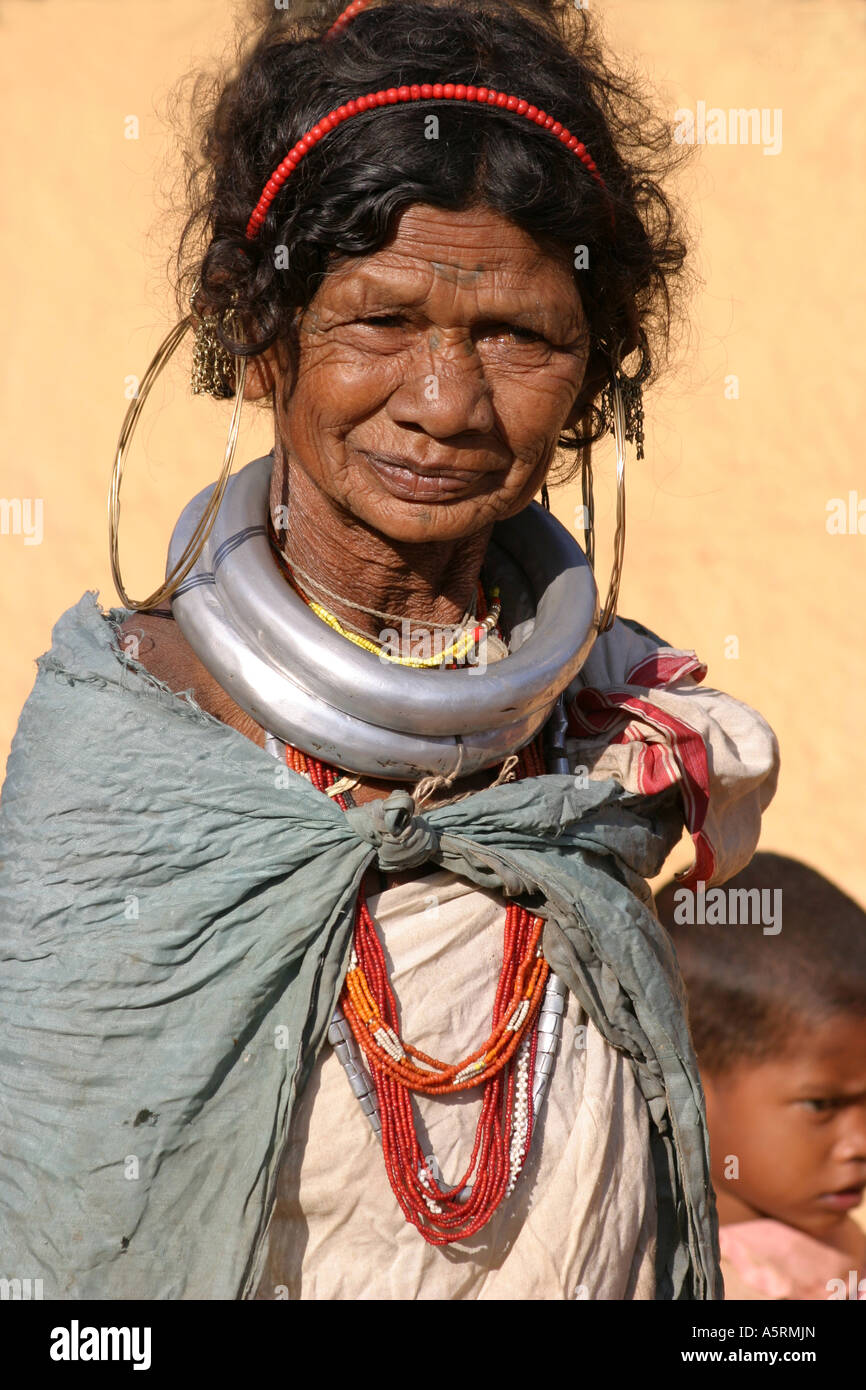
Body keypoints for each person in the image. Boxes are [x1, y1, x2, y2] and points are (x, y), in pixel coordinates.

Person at [0, 0, 779, 1300]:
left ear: (592, 379)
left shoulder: (617, 744)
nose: (444, 402)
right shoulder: (133, 745)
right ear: (257, 333)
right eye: (379, 319)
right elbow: (63, 1225)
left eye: (517, 337)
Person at [656, 854, 866, 1301]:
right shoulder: (705, 1283)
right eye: (822, 1105)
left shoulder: (824, 1241)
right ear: (688, 1087)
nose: (860, 1142)